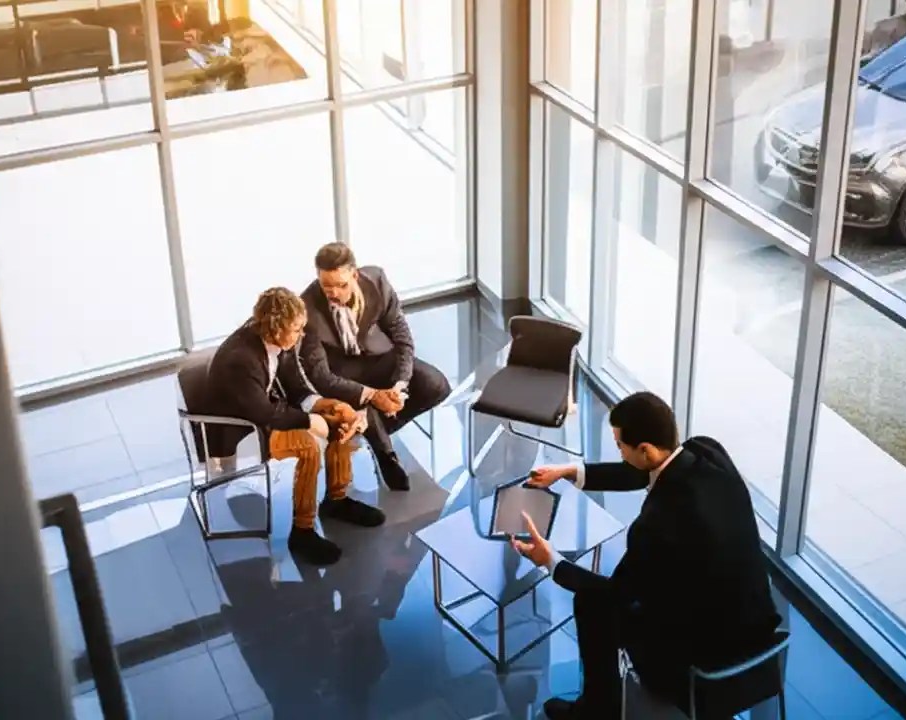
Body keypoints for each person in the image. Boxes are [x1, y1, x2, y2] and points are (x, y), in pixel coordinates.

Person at [512, 392, 782, 719]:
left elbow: (616, 594)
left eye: (620, 446)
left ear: (645, 449)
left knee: (593, 604)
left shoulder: (656, 526)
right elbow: (643, 471)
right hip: (758, 631)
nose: (619, 452)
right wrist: (570, 471)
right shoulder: (707, 452)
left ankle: (597, 710)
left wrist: (551, 560)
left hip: (708, 657)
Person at [207, 287, 385, 566]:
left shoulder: (280, 341)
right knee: (307, 445)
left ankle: (336, 499)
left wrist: (327, 407)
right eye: (296, 329)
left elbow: (296, 386)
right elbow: (263, 413)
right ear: (275, 328)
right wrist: (311, 421)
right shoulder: (239, 358)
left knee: (339, 420)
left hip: (267, 412)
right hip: (243, 428)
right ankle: (301, 531)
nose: (301, 334)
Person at [298, 242, 451, 490]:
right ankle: (384, 452)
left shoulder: (377, 281)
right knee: (351, 396)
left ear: (355, 275)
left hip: (378, 356)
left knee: (437, 384)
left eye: (342, 285)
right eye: (327, 286)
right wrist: (372, 395)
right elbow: (320, 376)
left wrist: (398, 388)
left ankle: (374, 424)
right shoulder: (307, 308)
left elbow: (402, 337)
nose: (334, 292)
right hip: (342, 371)